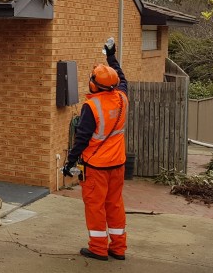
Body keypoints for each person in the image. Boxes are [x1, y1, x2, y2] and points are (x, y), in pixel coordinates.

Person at [63, 37, 129, 261]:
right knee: (115, 204)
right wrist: (111, 56)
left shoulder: (91, 106)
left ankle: (99, 248)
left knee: (95, 206)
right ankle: (118, 248)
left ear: (94, 84)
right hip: (118, 163)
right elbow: (121, 78)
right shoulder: (121, 97)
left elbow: (81, 139)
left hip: (97, 166)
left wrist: (70, 162)